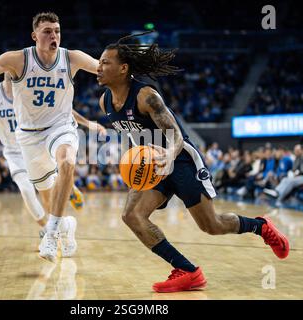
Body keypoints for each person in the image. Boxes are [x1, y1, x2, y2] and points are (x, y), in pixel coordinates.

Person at [96, 32, 289, 293]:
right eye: (99, 61)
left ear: (123, 68)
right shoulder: (105, 101)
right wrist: (132, 166)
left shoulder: (146, 96)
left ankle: (261, 227)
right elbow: (135, 135)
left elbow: (175, 133)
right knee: (132, 215)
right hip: (154, 165)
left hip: (181, 159)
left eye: (105, 62)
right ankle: (188, 271)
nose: (99, 66)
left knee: (212, 226)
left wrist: (169, 154)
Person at [0, 12, 99, 262]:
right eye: (47, 31)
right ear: (34, 36)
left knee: (68, 162)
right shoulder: (17, 59)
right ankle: (65, 225)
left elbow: (103, 68)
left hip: (60, 128)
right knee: (46, 199)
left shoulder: (71, 57)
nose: (53, 35)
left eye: (57, 30)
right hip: (28, 137)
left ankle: (50, 234)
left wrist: (127, 66)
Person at [0, 73, 106, 238]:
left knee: (49, 184)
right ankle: (48, 228)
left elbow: (63, 110)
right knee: (27, 190)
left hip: (35, 143)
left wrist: (88, 123)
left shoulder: (31, 88)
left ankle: (67, 186)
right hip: (14, 152)